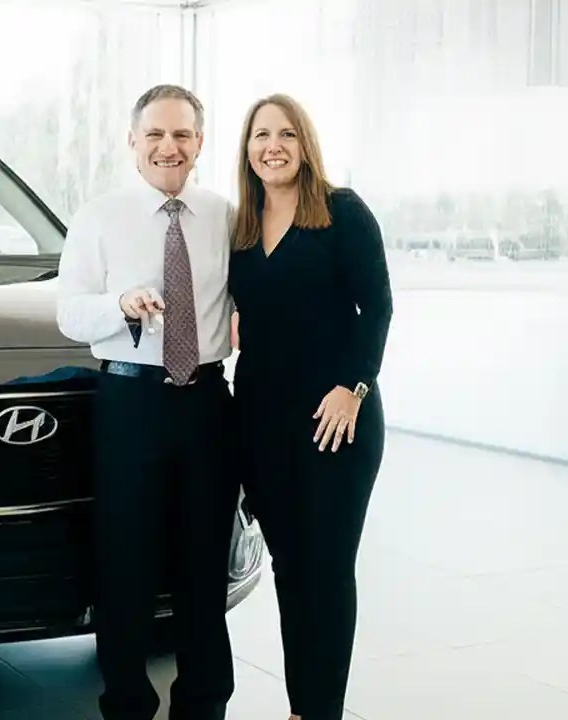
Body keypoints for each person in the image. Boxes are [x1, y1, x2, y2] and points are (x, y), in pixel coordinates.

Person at [56, 84, 240, 720]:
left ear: (200, 144)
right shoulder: (99, 217)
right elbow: (69, 313)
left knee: (204, 560)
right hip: (128, 401)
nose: (170, 146)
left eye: (183, 135)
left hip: (209, 404)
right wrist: (119, 304)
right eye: (156, 135)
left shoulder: (224, 215)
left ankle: (204, 701)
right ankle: (127, 701)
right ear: (133, 143)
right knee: (127, 560)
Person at [227, 93, 393, 720]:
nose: (274, 146)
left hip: (336, 420)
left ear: (306, 144)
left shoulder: (343, 212)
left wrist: (355, 387)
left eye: (287, 134)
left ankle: (323, 710)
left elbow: (377, 307)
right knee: (291, 571)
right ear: (246, 149)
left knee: (325, 569)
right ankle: (303, 708)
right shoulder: (240, 226)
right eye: (262, 134)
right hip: (262, 422)